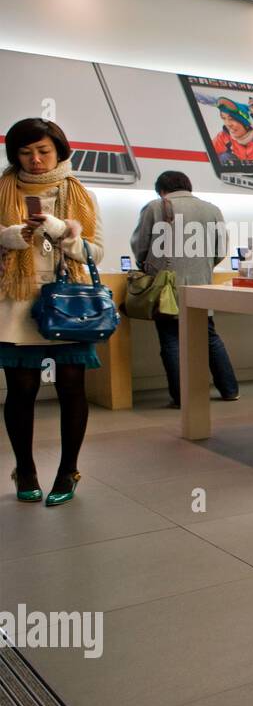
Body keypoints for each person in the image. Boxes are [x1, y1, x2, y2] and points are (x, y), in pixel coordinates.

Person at [0, 118, 104, 506]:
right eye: (26, 152)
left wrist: (63, 231)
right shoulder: (2, 190)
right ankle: (24, 469)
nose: (36, 159)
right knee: (21, 389)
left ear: (59, 150)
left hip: (69, 305)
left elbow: (95, 254)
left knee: (73, 386)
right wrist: (9, 238)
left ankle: (68, 470)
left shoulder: (80, 194)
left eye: (43, 150)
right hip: (15, 304)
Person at [130, 170, 239, 407]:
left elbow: (140, 246)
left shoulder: (155, 207)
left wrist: (146, 264)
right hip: (202, 283)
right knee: (209, 337)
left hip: (167, 286)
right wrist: (202, 267)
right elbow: (220, 250)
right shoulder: (212, 209)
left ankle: (182, 397)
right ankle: (229, 389)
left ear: (161, 190)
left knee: (171, 340)